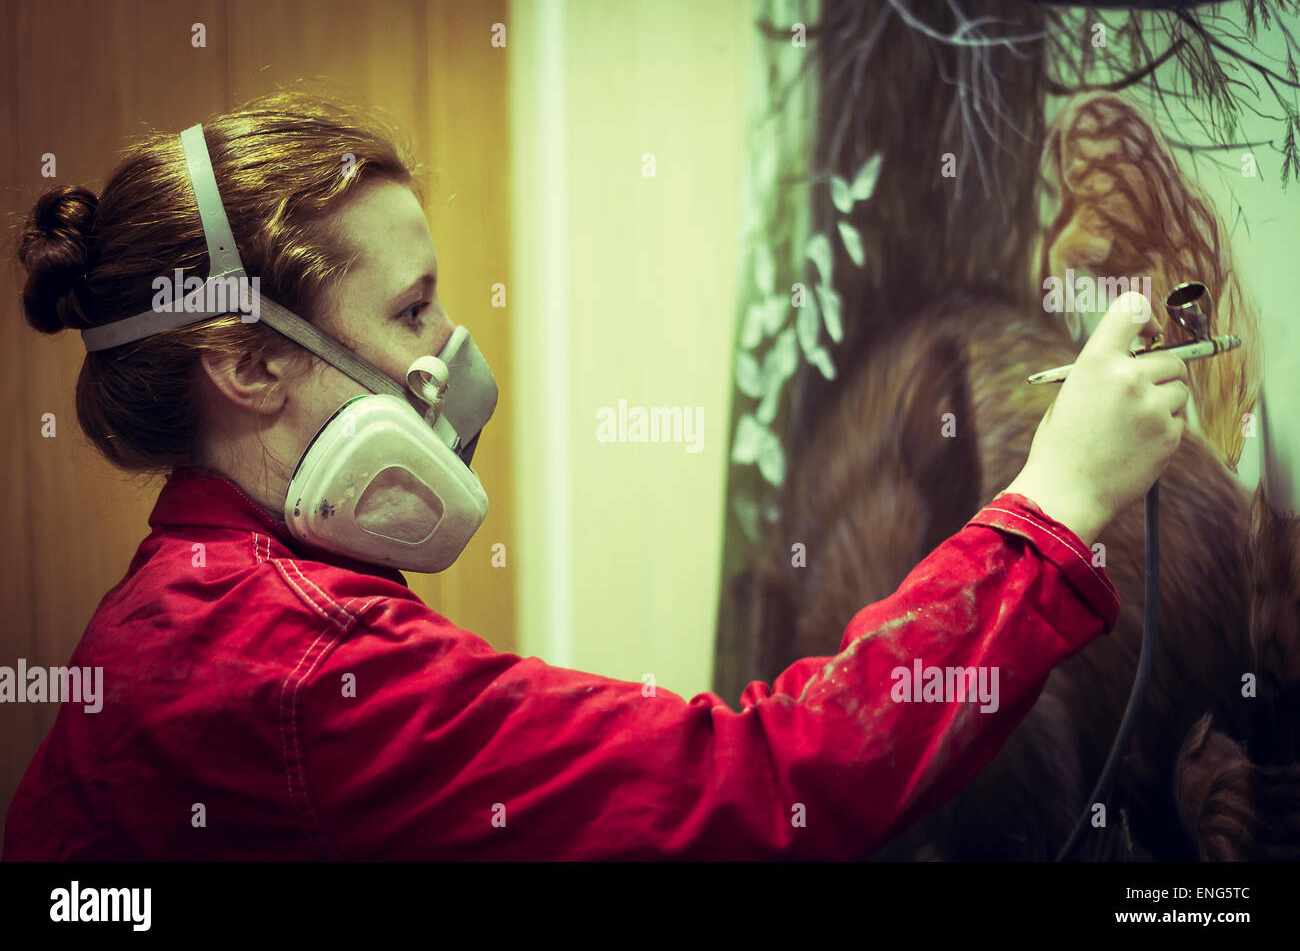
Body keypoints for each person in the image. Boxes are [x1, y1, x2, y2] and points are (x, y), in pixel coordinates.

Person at [3, 94, 1188, 860]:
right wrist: (1055, 508)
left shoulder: (182, 598)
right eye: (413, 310)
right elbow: (761, 782)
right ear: (248, 362)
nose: (452, 356)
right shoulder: (295, 673)